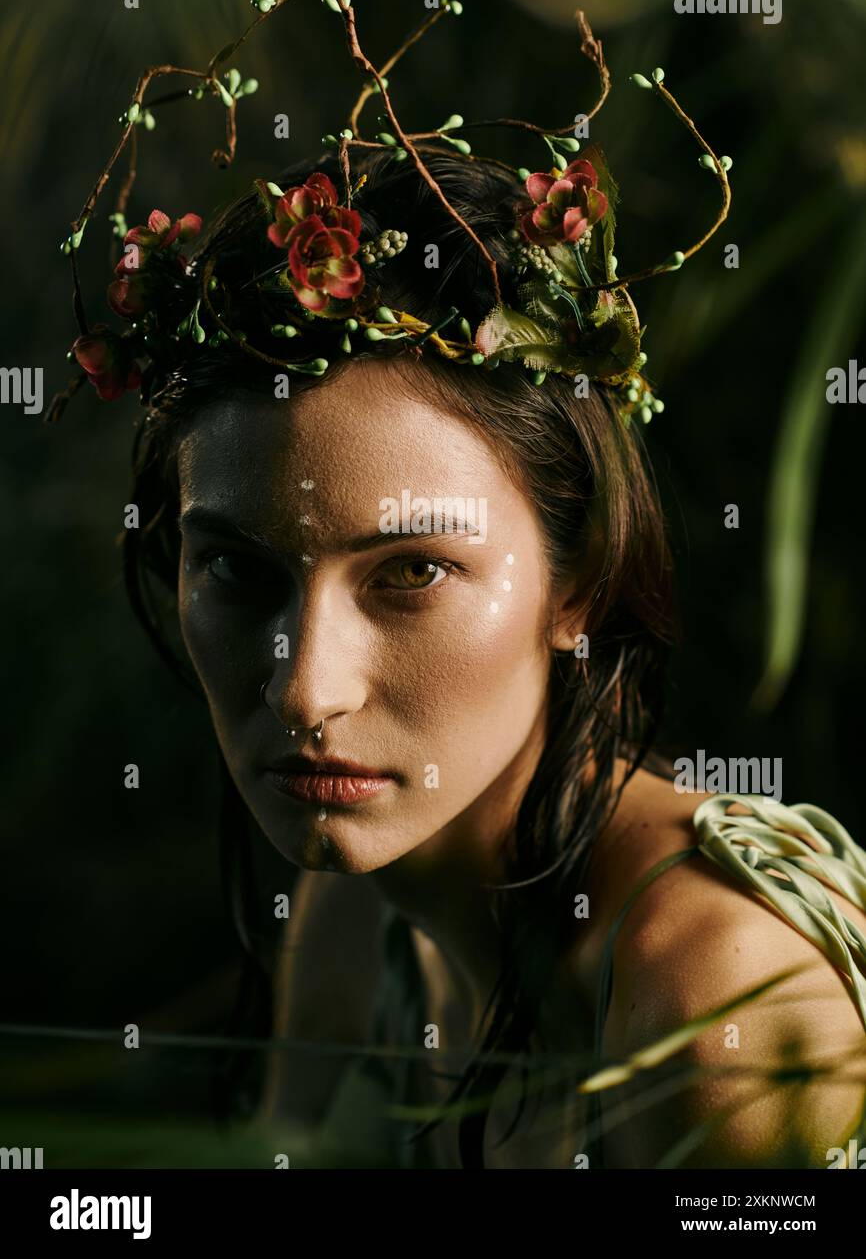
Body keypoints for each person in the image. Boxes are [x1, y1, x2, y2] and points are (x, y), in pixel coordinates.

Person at [102, 144, 866, 1169]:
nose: (303, 688)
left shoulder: (711, 993)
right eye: (238, 572)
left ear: (579, 579)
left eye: (411, 573)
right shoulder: (356, 904)